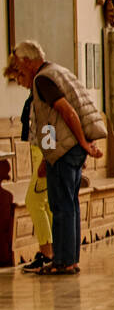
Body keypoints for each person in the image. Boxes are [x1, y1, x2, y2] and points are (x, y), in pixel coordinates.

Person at [10, 40, 106, 275]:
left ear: (28, 61)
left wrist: (83, 143)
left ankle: (63, 261)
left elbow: (67, 111)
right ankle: (69, 260)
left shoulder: (42, 79)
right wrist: (80, 145)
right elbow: (57, 118)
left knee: (61, 205)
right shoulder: (58, 71)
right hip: (68, 148)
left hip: (64, 151)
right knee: (69, 204)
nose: (18, 71)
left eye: (19, 66)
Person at [3, 53, 54, 272]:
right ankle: (53, 251)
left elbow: (49, 123)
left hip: (43, 153)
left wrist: (48, 157)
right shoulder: (36, 89)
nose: (20, 83)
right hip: (40, 152)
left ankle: (46, 252)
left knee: (33, 202)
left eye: (19, 78)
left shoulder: (40, 89)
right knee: (46, 203)